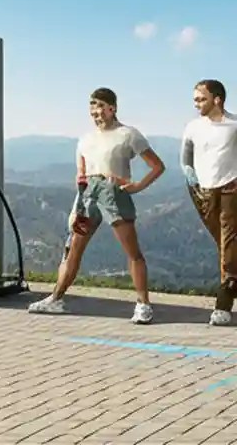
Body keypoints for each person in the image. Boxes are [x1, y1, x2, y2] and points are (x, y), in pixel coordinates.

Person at [28, 87, 165, 323]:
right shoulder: (85, 139)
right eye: (92, 106)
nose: (96, 111)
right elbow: (81, 176)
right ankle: (55, 299)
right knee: (74, 249)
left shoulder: (128, 134)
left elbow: (157, 166)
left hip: (114, 193)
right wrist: (76, 208)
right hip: (88, 194)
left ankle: (143, 304)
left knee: (132, 251)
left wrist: (136, 186)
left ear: (112, 108)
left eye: (100, 106)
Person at [180, 78, 237, 327]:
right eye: (195, 99)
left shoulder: (234, 125)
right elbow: (185, 157)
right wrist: (189, 174)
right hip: (202, 192)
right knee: (224, 244)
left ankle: (223, 304)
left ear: (217, 99)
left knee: (229, 241)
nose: (197, 104)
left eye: (201, 99)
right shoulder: (193, 127)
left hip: (231, 188)